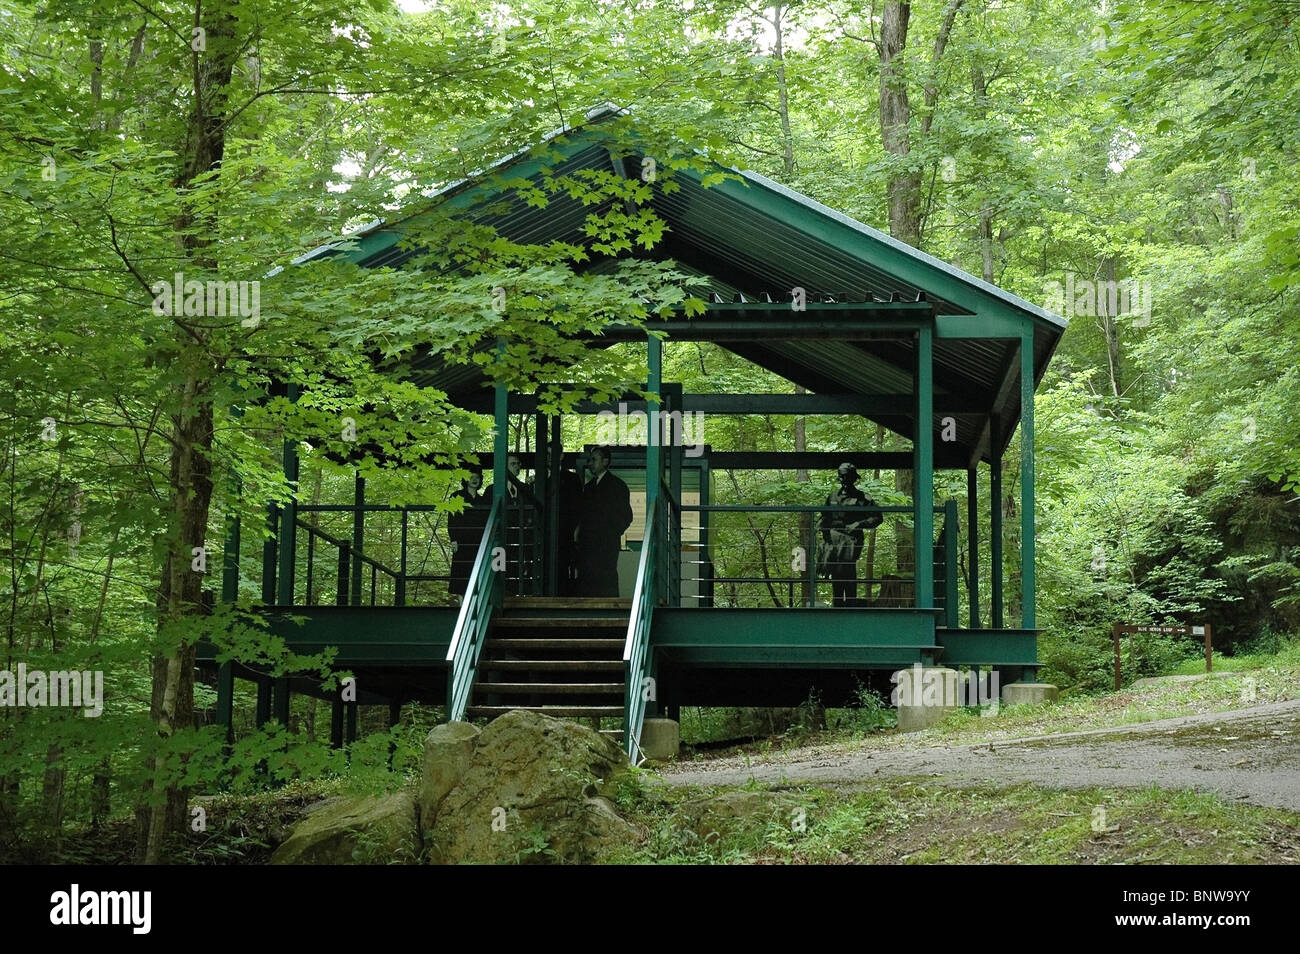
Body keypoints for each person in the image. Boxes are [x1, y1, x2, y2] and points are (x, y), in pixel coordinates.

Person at [818, 462, 882, 607]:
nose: (844, 480)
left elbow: (877, 517)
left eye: (847, 477)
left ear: (853, 478)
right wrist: (823, 533)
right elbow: (824, 516)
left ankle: (850, 603)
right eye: (842, 477)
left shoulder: (863, 498)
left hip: (851, 540)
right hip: (833, 540)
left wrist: (859, 524)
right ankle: (839, 604)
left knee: (846, 568)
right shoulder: (833, 496)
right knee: (836, 572)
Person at [576, 447, 633, 597]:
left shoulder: (617, 486)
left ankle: (608, 609)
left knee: (605, 576)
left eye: (594, 459)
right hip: (588, 542)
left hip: (606, 542)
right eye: (590, 460)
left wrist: (612, 532)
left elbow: (626, 515)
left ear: (605, 461)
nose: (590, 463)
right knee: (589, 577)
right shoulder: (589, 488)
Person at [447, 469, 487, 602]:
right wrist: (453, 539)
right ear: (465, 480)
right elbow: (452, 519)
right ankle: (461, 603)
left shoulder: (482, 500)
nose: (474, 480)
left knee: (476, 569)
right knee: (460, 570)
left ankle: (474, 602)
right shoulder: (456, 496)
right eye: (471, 477)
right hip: (462, 540)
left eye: (477, 477)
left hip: (478, 541)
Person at [503, 452, 540, 595]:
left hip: (522, 540)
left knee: (522, 570)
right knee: (501, 569)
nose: (517, 466)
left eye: (518, 464)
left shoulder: (526, 489)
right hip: (503, 539)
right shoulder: (492, 490)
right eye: (513, 464)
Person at [556, 456, 584, 596]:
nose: (550, 458)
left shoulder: (572, 479)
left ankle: (563, 595)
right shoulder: (539, 479)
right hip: (545, 534)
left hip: (566, 532)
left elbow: (579, 507)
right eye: (547, 454)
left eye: (553, 453)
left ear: (561, 456)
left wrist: (576, 530)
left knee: (564, 564)